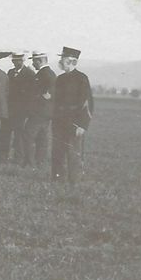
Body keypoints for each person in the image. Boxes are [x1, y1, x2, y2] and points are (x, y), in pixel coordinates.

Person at [51, 46, 94, 188]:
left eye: (62, 59)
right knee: (57, 151)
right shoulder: (60, 79)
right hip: (58, 121)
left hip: (74, 122)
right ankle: (57, 180)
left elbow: (87, 103)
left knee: (73, 153)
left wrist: (82, 125)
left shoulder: (82, 78)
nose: (60, 62)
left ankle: (73, 182)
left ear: (70, 61)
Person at [0, 52, 35, 163]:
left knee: (18, 135)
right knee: (5, 133)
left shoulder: (29, 74)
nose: (16, 62)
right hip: (9, 109)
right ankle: (3, 156)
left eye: (18, 60)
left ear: (23, 60)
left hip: (21, 111)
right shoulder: (10, 72)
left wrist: (27, 111)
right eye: (14, 60)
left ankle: (18, 157)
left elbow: (31, 94)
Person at [23, 51, 56, 168]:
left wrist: (35, 102)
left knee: (28, 136)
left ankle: (29, 162)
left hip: (38, 113)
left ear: (40, 61)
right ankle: (39, 161)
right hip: (46, 113)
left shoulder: (45, 74)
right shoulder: (49, 73)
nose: (33, 63)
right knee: (42, 138)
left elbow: (47, 94)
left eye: (34, 61)